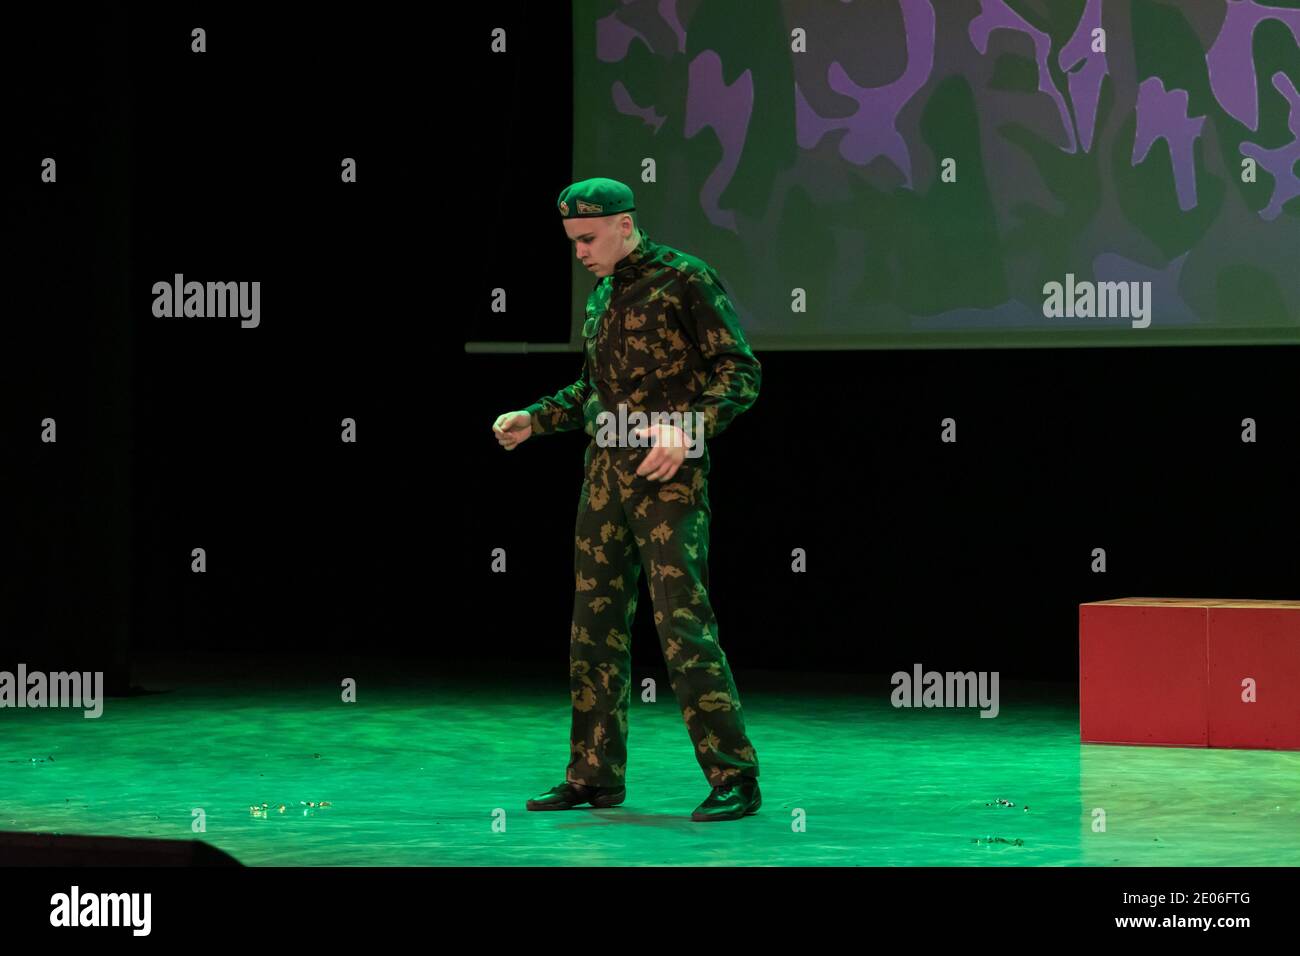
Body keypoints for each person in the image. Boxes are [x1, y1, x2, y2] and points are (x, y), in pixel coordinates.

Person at [493, 177, 762, 822]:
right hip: (603, 475)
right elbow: (592, 391)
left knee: (682, 626)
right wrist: (535, 417)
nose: (580, 252)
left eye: (588, 238)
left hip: (667, 476)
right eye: (572, 242)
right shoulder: (604, 292)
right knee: (594, 631)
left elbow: (741, 372)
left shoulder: (685, 278)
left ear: (623, 223)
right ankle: (594, 776)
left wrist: (690, 430)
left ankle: (736, 777)